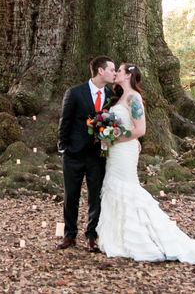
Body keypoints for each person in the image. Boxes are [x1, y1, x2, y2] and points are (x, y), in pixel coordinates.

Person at [96, 63, 195, 264]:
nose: (115, 73)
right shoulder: (119, 97)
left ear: (127, 76)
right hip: (115, 152)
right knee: (112, 187)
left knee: (126, 189)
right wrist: (107, 134)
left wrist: (115, 137)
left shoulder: (134, 98)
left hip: (124, 151)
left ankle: (142, 239)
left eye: (119, 71)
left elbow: (140, 130)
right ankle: (118, 239)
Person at [56, 55, 116, 252]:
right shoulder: (75, 92)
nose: (114, 73)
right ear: (101, 70)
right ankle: (69, 235)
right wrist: (64, 147)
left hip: (97, 156)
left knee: (95, 197)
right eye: (111, 70)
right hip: (73, 154)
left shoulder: (110, 96)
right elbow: (65, 121)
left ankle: (92, 236)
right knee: (71, 196)